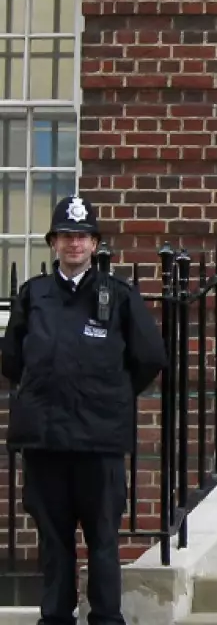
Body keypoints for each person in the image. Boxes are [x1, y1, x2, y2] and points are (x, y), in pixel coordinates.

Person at [1, 195, 167, 625]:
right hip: (47, 440)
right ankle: (55, 617)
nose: (74, 244)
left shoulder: (119, 296)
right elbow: (11, 359)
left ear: (95, 245)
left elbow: (150, 356)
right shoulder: (33, 295)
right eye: (66, 236)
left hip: (98, 441)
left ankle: (106, 618)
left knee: (103, 540)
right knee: (53, 541)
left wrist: (109, 394)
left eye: (82, 236)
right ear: (53, 243)